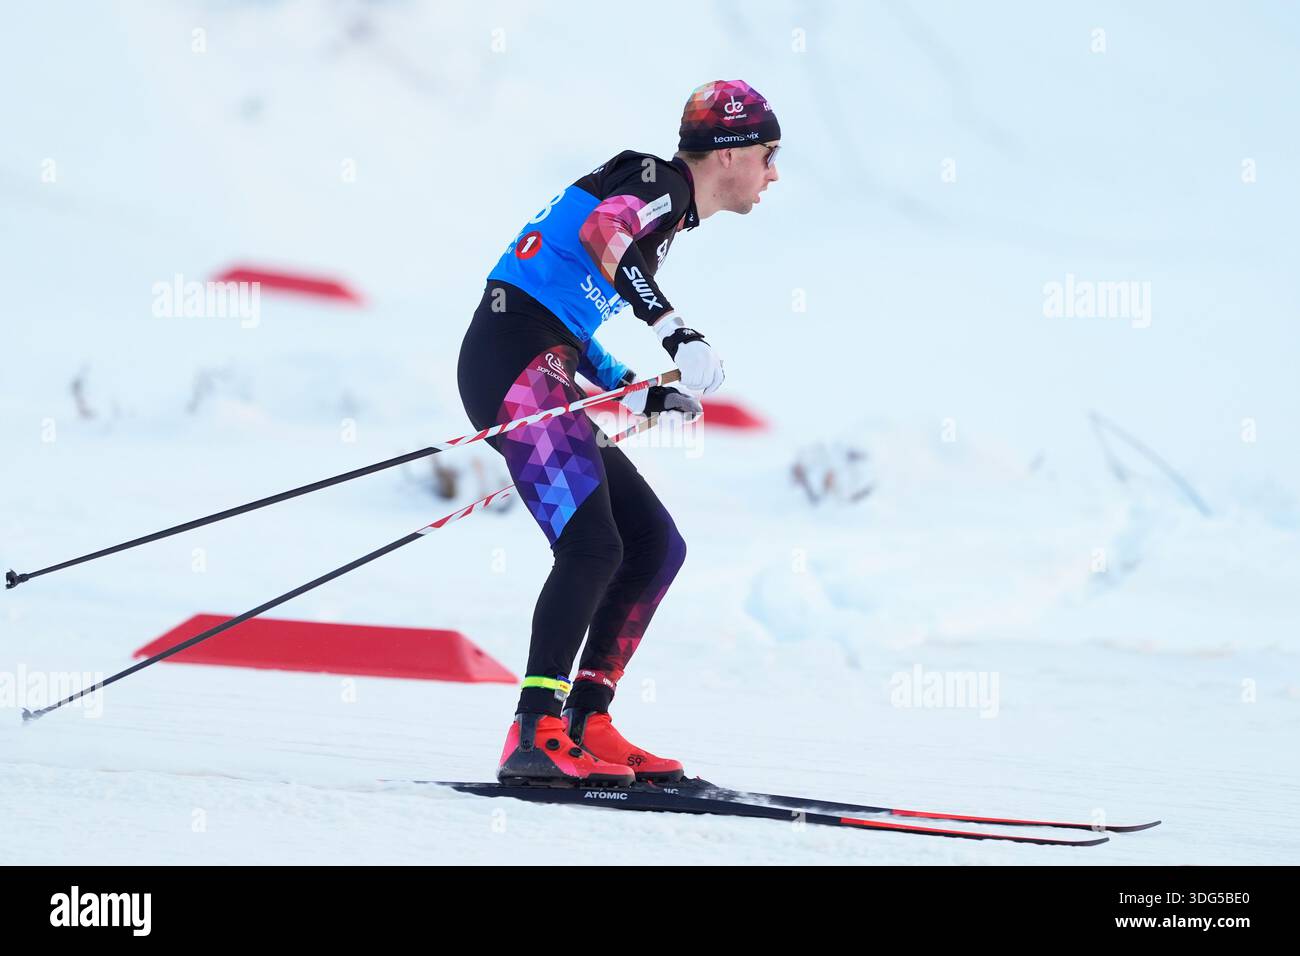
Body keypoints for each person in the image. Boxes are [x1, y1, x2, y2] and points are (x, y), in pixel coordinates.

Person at [456, 79, 781, 786]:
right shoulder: (655, 180)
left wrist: (641, 392)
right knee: (592, 543)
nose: (773, 173)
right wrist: (674, 332)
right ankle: (534, 732)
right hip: (513, 360)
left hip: (540, 357)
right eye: (768, 153)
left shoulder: (660, 212)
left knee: (655, 545)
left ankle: (585, 722)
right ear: (729, 153)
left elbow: (572, 307)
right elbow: (602, 236)